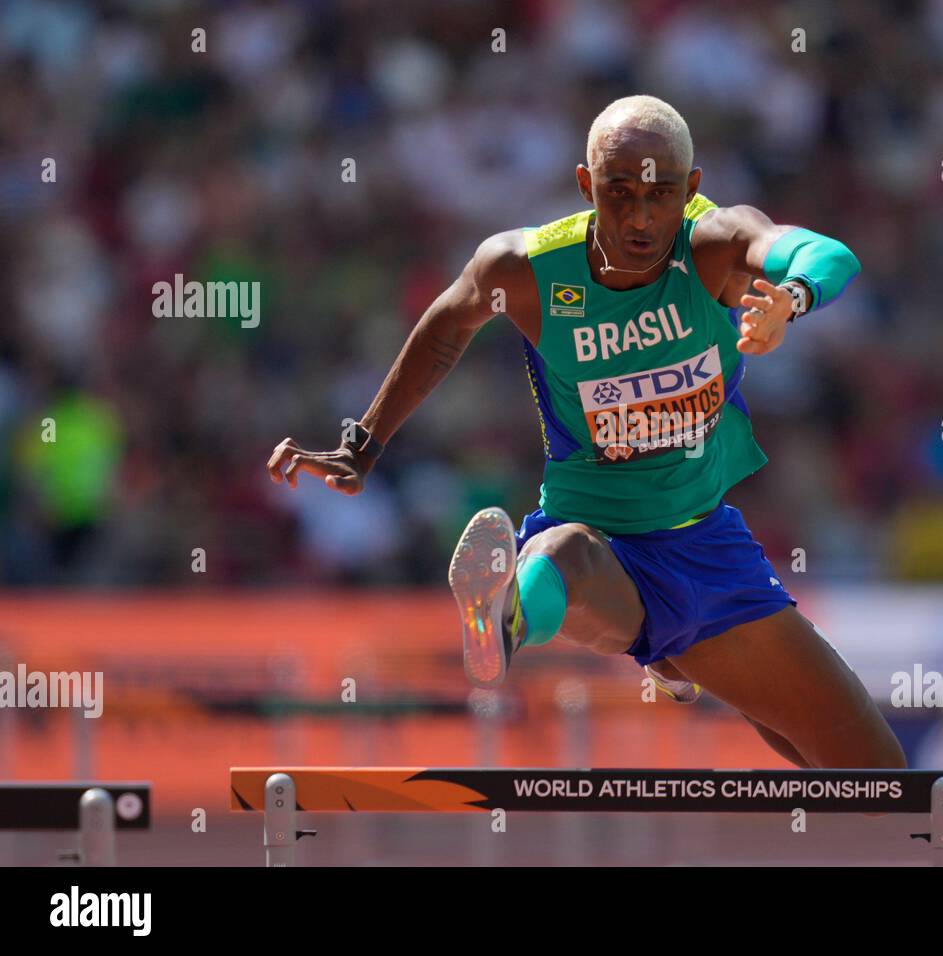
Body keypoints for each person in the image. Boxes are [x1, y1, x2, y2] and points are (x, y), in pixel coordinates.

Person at [268, 95, 905, 769]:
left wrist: (792, 297)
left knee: (876, 778)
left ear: (689, 189)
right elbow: (445, 329)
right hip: (599, 548)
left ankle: (671, 657)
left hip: (708, 550)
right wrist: (362, 446)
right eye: (618, 192)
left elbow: (826, 254)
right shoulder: (526, 267)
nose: (638, 217)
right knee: (561, 551)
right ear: (584, 185)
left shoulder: (717, 243)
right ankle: (508, 618)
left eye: (660, 195)